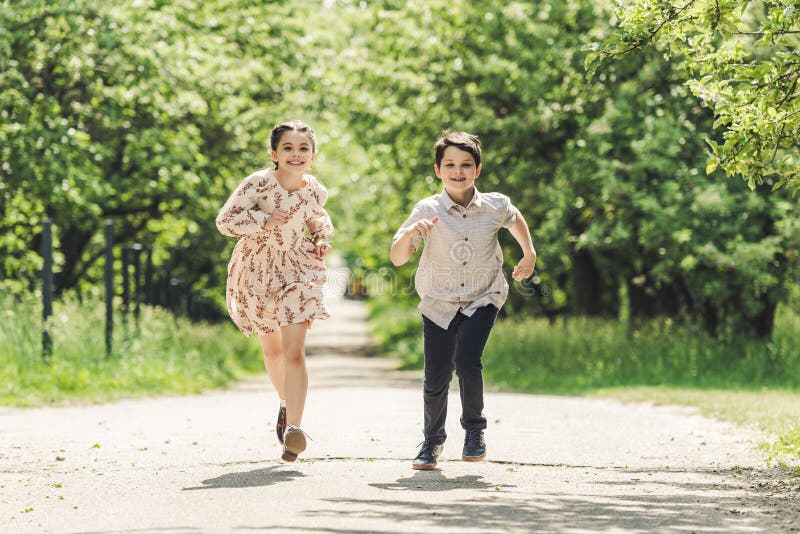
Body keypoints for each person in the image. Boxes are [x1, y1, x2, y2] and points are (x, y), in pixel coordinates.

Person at [390, 130, 536, 470]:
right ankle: (432, 442)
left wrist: (529, 253)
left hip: (482, 297)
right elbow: (397, 257)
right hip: (439, 302)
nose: (459, 171)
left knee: (467, 360)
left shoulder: (495, 205)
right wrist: (412, 234)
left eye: (466, 165)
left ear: (478, 170)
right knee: (436, 376)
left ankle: (474, 432)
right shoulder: (427, 209)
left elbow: (515, 219)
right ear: (438, 170)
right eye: (450, 164)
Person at [216, 120, 333, 462]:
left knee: (294, 351)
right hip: (257, 271)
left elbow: (316, 218)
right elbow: (225, 221)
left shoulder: (316, 191)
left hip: (298, 269)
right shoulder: (258, 185)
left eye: (303, 149)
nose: (296, 155)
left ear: (312, 155)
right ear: (274, 153)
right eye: (288, 148)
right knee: (274, 353)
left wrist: (321, 238)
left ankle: (294, 429)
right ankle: (285, 403)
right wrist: (263, 223)